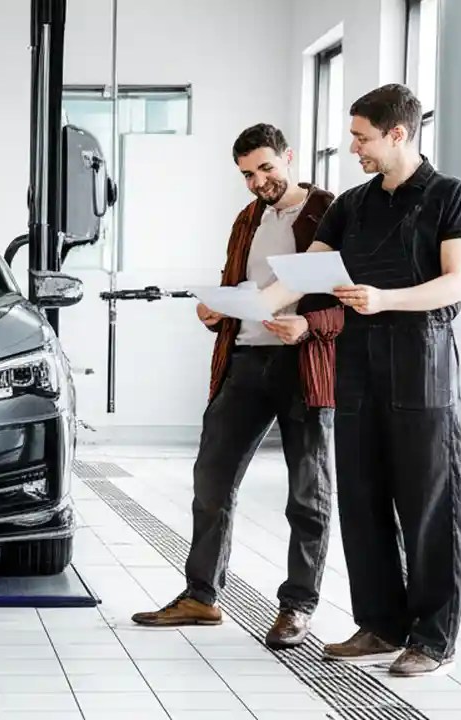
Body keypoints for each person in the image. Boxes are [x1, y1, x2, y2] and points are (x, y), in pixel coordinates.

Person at [259, 84, 461, 676]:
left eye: (361, 137)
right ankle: (380, 625)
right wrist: (249, 307)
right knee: (360, 499)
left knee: (429, 505)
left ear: (397, 134)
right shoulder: (352, 203)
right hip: (356, 364)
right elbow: (306, 271)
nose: (352, 146)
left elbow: (456, 282)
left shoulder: (449, 196)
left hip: (421, 362)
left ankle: (432, 638)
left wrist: (385, 299)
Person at [131, 123, 343, 650]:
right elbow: (238, 287)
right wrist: (214, 310)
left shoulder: (331, 211)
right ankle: (201, 596)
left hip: (304, 365)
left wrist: (309, 326)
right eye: (247, 174)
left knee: (307, 495)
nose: (258, 182)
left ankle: (297, 607)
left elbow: (349, 297)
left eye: (266, 168)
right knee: (211, 480)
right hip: (245, 361)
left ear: (289, 158)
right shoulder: (247, 218)